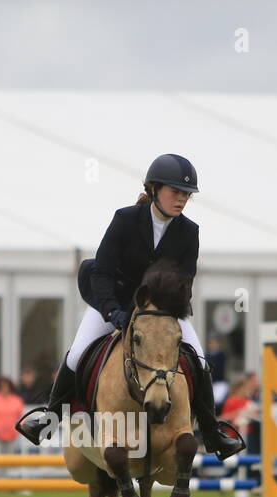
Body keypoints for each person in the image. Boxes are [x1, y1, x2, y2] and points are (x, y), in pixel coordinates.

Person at [15, 153, 244, 459]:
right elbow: (102, 272)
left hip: (161, 311)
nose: (181, 200)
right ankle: (50, 418)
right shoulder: (125, 220)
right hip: (114, 302)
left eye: (186, 195)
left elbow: (184, 282)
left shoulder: (189, 232)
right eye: (175, 192)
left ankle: (212, 432)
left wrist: (159, 316)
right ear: (153, 189)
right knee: (79, 352)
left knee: (200, 361)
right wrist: (112, 312)